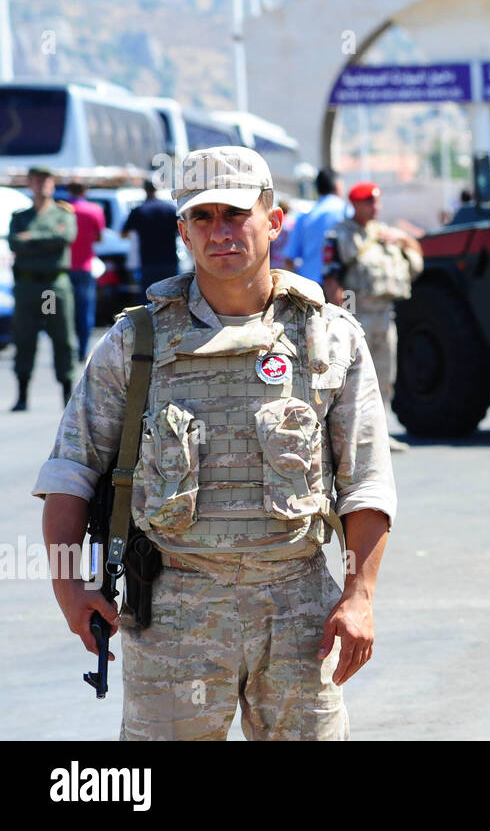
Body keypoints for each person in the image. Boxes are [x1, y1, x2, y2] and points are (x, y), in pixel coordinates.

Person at [37, 146, 395, 741]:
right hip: (174, 613)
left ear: (273, 221)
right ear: (182, 231)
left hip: (298, 611)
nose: (220, 231)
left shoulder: (329, 337)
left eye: (236, 213)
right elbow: (72, 469)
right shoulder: (136, 342)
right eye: (202, 218)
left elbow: (367, 484)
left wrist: (359, 598)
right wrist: (69, 589)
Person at [323, 182, 423, 452]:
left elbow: (416, 259)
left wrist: (402, 240)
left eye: (376, 202)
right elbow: (331, 278)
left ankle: (381, 434)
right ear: (355, 204)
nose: (375, 207)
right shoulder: (340, 236)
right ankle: (353, 438)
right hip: (359, 315)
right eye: (368, 202)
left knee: (385, 377)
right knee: (355, 380)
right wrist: (342, 317)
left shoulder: (385, 233)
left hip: (384, 314)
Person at [9, 167, 78, 411]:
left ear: (52, 183)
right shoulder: (20, 216)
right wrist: (45, 239)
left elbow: (65, 237)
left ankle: (67, 393)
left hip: (52, 287)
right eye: (36, 180)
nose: (41, 185)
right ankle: (22, 393)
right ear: (29, 183)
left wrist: (31, 239)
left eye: (45, 180)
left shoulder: (62, 214)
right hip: (28, 286)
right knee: (24, 338)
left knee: (62, 338)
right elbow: (15, 241)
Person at [283, 168, 348, 285]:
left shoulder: (303, 218)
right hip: (341, 286)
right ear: (338, 186)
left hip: (310, 287)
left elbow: (289, 259)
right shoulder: (347, 212)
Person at [65, 181, 105, 362]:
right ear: (84, 189)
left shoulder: (63, 211)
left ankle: (67, 347)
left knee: (65, 311)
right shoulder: (94, 210)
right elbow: (99, 237)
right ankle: (83, 349)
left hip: (64, 267)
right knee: (85, 310)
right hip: (86, 266)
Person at [123, 177, 179, 294]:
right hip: (170, 261)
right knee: (172, 298)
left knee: (149, 300)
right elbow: (181, 231)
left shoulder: (138, 211)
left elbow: (123, 234)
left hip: (148, 262)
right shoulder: (170, 209)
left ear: (145, 190)